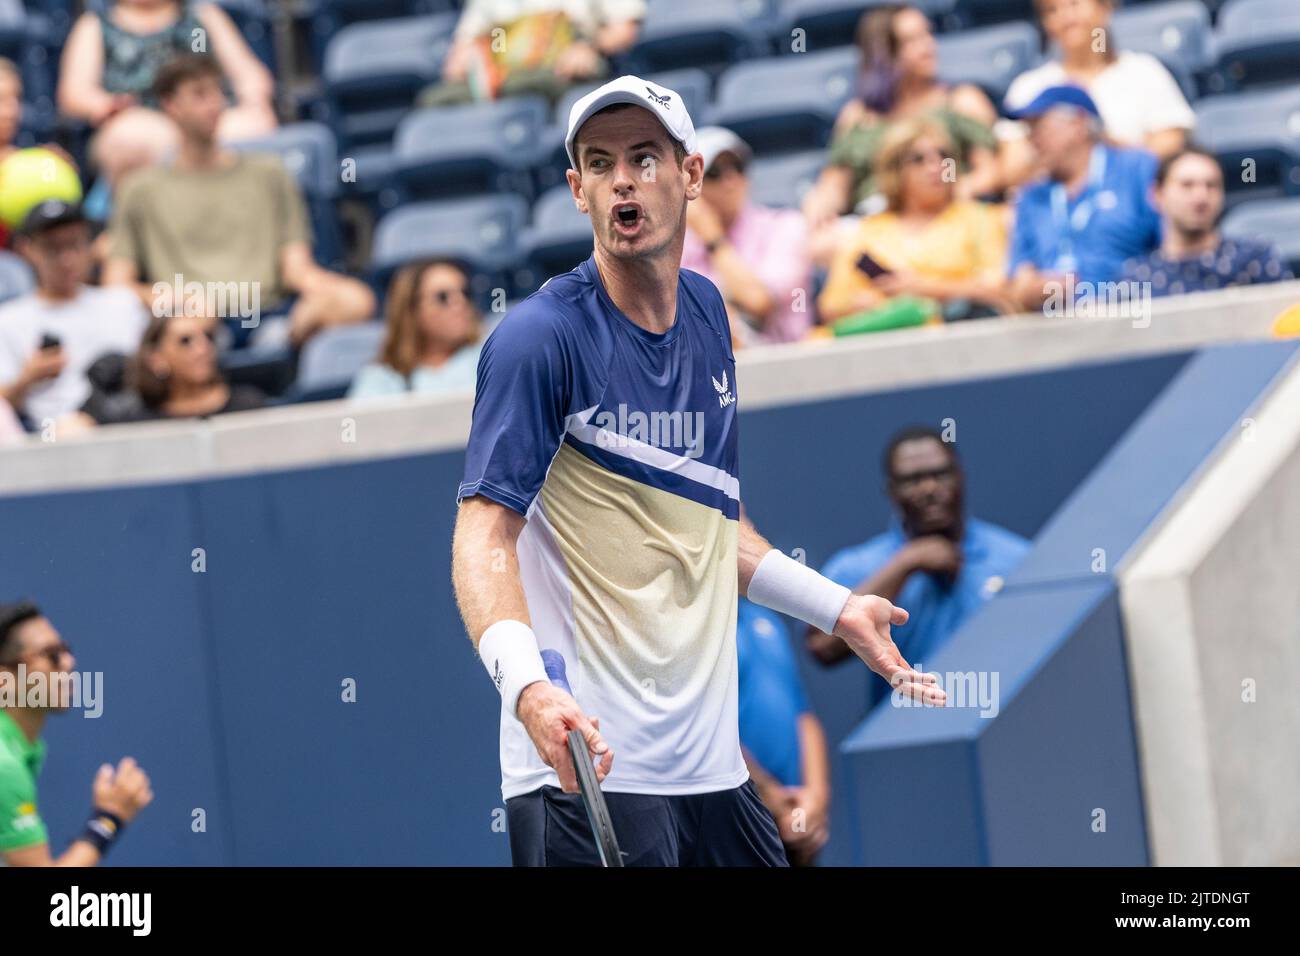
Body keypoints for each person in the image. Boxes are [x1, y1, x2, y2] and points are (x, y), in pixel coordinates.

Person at [450, 74, 945, 869]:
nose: (624, 180)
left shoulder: (711, 314)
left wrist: (836, 608)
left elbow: (716, 532)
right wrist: (528, 688)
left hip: (711, 770)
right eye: (601, 163)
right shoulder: (538, 339)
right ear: (578, 190)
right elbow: (483, 538)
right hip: (590, 772)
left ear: (690, 178)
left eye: (646, 158)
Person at [104, 55, 374, 349]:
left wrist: (328, 294)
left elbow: (297, 268)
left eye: (218, 92)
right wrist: (171, 298)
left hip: (271, 316)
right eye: (199, 94)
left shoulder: (270, 172)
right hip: (190, 322)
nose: (214, 104)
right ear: (171, 105)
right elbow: (117, 286)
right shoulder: (140, 189)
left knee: (356, 301)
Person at [807, 427, 1030, 713]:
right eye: (912, 480)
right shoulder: (858, 566)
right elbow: (822, 647)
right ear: (891, 491)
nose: (929, 489)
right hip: (905, 741)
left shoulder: (1017, 559)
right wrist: (907, 563)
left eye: (940, 474)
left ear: (960, 477)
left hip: (1001, 731)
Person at [801, 4, 1001, 262]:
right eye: (912, 41)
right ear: (883, 53)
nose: (928, 46)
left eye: (927, 35)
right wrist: (820, 201)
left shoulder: (960, 100)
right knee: (818, 244)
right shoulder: (857, 116)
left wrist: (958, 190)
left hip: (943, 212)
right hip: (877, 221)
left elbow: (991, 172)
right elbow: (836, 183)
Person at [57, 0, 276, 187]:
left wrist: (254, 98)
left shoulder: (196, 23)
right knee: (127, 137)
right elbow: (75, 93)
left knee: (256, 124)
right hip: (144, 121)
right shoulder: (98, 25)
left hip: (209, 117)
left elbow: (248, 74)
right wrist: (104, 105)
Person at [0, 600, 154, 866]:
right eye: (52, 655)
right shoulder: (5, 767)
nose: (69, 663)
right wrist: (108, 820)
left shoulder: (17, 751)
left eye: (66, 650)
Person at [817, 119, 1013, 323]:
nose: (935, 167)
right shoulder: (869, 230)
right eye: (919, 159)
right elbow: (831, 305)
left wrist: (922, 288)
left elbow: (1001, 290)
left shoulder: (980, 218)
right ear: (896, 171)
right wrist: (867, 306)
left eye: (943, 156)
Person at [1002, 0, 1194, 184]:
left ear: (1105, 8)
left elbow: (1170, 146)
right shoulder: (1029, 86)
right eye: (1052, 10)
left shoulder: (1144, 71)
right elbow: (1012, 170)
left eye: (1074, 4)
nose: (1066, 17)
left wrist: (1102, 149)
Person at [1005, 86, 1160, 313]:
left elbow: (1174, 248)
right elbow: (1019, 281)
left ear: (1077, 124)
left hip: (1131, 315)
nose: (1031, 141)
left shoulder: (1135, 169)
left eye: (1038, 128)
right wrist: (1034, 288)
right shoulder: (1031, 197)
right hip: (1054, 326)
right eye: (1027, 132)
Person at [0, 201, 147, 428]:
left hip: (130, 422)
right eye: (52, 248)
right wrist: (28, 378)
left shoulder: (123, 302)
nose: (66, 259)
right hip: (55, 435)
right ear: (28, 250)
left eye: (74, 244)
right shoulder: (8, 320)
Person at [680, 127, 813, 345]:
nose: (730, 180)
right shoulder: (678, 245)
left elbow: (758, 301)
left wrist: (712, 237)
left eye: (737, 167)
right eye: (715, 172)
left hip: (789, 365)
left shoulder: (786, 226)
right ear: (692, 182)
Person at [1121, 146, 1294, 296]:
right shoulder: (1137, 279)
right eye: (1187, 185)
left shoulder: (1255, 258)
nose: (1201, 197)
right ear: (1157, 195)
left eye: (1211, 185)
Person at [735, 596, 831, 867]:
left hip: (795, 821)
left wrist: (815, 798)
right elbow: (702, 727)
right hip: (738, 818)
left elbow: (803, 713)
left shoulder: (766, 620)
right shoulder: (692, 631)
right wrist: (768, 797)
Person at [417, 0, 645, 108]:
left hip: (564, 67)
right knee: (434, 100)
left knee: (531, 84)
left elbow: (625, 28)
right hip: (501, 74)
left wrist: (591, 47)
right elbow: (458, 56)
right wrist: (470, 58)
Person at [87, 313, 264, 425]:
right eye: (186, 341)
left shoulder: (248, 406)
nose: (204, 349)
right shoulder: (138, 423)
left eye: (208, 337)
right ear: (156, 360)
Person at [348, 260, 485, 400]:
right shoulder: (380, 379)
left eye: (466, 293)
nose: (460, 303)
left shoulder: (490, 358)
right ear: (411, 308)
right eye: (443, 297)